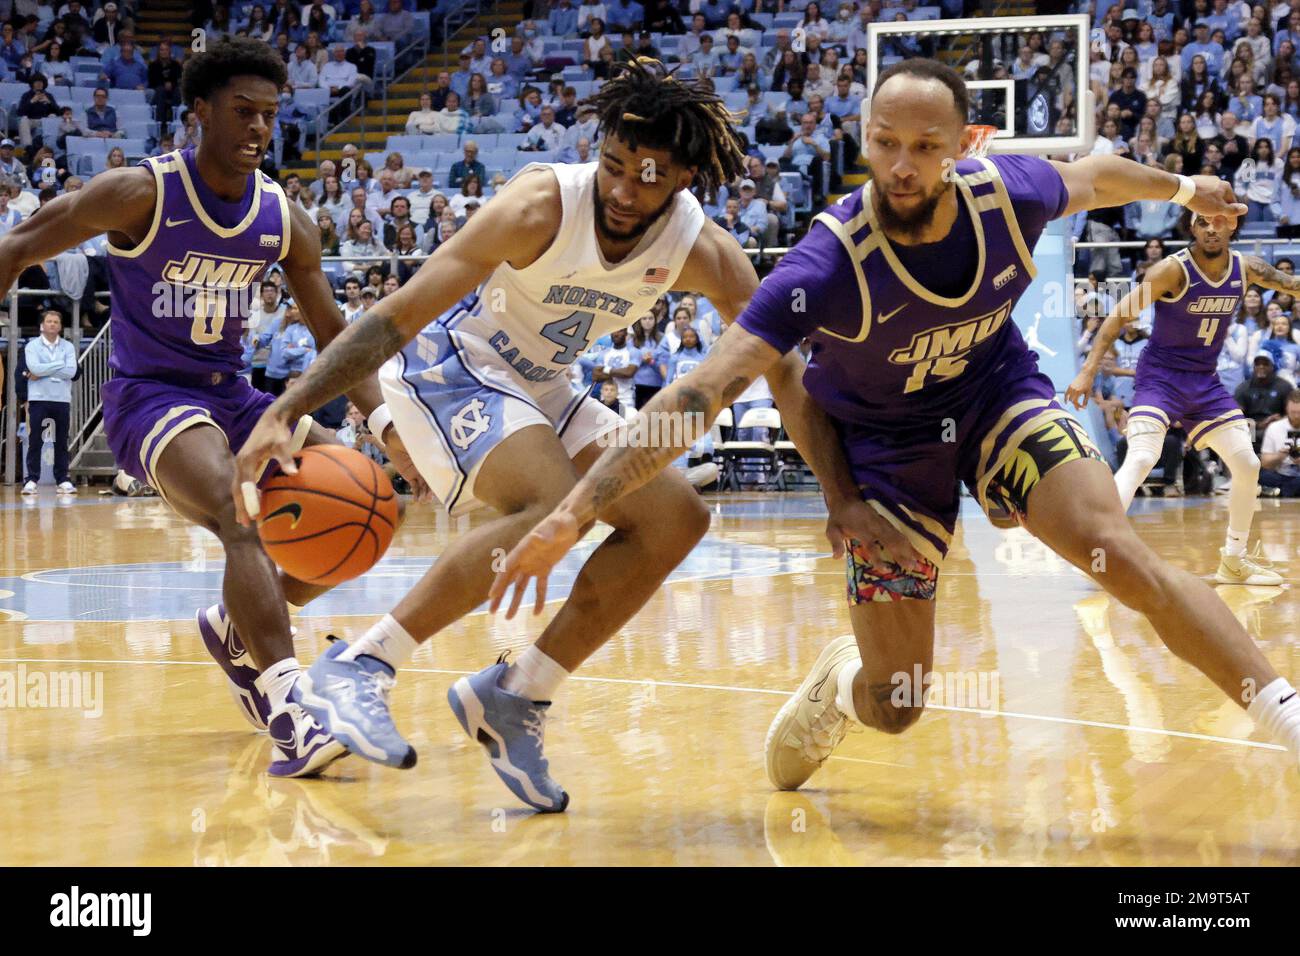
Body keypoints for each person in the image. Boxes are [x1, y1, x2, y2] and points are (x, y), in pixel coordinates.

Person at [487, 58, 1300, 799]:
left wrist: (1187, 191)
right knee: (898, 702)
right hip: (883, 454)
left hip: (995, 399)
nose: (903, 165)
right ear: (865, 141)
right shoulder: (827, 264)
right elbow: (700, 391)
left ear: (959, 148)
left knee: (1115, 549)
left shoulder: (1007, 193)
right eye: (885, 143)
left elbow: (1096, 177)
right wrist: (572, 514)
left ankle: (1284, 716)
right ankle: (841, 689)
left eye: (924, 145)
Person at [231, 60, 758, 811]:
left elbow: (781, 361)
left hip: (545, 385)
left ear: (685, 179)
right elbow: (400, 311)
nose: (621, 190)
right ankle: (361, 664)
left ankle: (518, 696)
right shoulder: (542, 204)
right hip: (453, 363)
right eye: (612, 165)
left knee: (676, 515)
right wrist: (290, 406)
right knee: (551, 501)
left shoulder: (703, 253)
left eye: (647, 177)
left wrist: (847, 486)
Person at [0, 37, 422, 778]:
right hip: (147, 399)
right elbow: (20, 245)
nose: (259, 128)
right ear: (199, 111)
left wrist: (385, 423)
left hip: (237, 398)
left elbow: (334, 333)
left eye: (270, 115)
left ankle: (236, 626)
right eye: (243, 111)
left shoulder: (284, 217)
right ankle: (291, 708)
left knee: (376, 504)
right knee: (243, 508)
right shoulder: (140, 192)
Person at [1067, 213, 1293, 585]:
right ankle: (1097, 551)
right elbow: (1117, 318)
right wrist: (1088, 370)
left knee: (1247, 464)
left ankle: (1233, 561)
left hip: (1205, 380)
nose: (1211, 228)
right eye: (1202, 222)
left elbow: (1293, 285)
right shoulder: (1171, 271)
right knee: (1141, 456)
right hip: (1161, 377)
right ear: (1192, 228)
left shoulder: (1246, 267)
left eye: (1219, 221)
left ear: (1232, 227)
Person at [21, 309, 77, 495]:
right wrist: (59, 366)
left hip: (61, 398)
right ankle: (31, 479)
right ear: (42, 325)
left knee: (61, 440)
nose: (52, 324)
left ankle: (63, 479)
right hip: (39, 398)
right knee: (35, 439)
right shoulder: (32, 346)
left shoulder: (68, 347)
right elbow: (33, 367)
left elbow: (71, 372)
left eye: (56, 322)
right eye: (49, 321)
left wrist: (44, 371)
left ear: (60, 326)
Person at [1258, 387, 1300, 494]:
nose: (1296, 416)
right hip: (1280, 474)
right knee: (1257, 473)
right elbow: (1265, 462)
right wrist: (1279, 456)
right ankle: (1286, 491)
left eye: (1299, 412)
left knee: (1295, 484)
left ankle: (1280, 491)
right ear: (1286, 409)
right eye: (1293, 412)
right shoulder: (1275, 427)